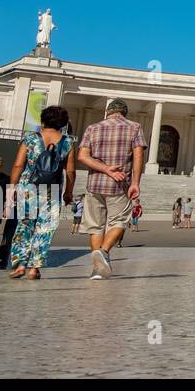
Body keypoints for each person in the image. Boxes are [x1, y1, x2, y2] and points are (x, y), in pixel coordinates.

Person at [77, 98, 147, 281]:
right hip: (120, 184)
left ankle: (97, 270)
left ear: (108, 112)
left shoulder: (92, 128)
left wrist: (104, 168)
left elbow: (82, 156)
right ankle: (104, 251)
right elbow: (139, 155)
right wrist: (136, 182)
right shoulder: (134, 127)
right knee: (119, 222)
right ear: (124, 113)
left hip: (95, 184)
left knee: (95, 227)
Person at [6, 104, 77, 280]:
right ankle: (34, 268)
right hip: (52, 189)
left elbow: (18, 165)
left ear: (43, 120)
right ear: (63, 123)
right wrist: (68, 192)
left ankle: (20, 265)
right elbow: (70, 171)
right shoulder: (68, 142)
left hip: (28, 187)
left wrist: (12, 188)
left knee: (24, 226)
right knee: (45, 229)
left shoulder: (30, 138)